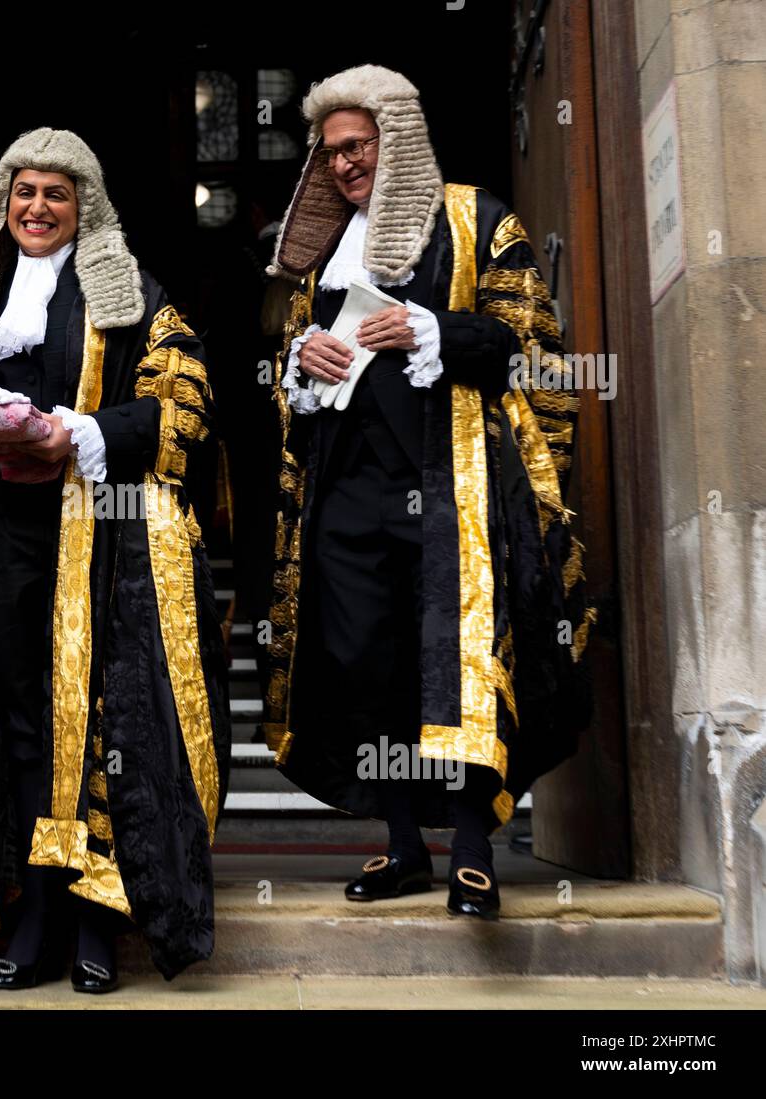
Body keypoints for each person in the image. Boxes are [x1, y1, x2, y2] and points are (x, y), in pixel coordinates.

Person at [259, 65, 594, 920]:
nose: (342, 165)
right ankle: (403, 845)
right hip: (345, 495)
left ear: (396, 137)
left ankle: (474, 850)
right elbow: (289, 380)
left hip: (450, 481)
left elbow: (529, 343)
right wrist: (301, 365)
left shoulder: (477, 219)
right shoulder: (319, 262)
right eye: (329, 153)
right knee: (367, 661)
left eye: (357, 146)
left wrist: (435, 328)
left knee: (458, 651)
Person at [0, 128, 231, 992]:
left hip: (95, 543)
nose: (38, 208)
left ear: (83, 206)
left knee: (90, 727)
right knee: (17, 718)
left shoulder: (130, 296)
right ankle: (38, 907)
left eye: (56, 194)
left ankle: (94, 921)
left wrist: (75, 433)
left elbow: (182, 401)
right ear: (3, 207)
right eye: (24, 194)